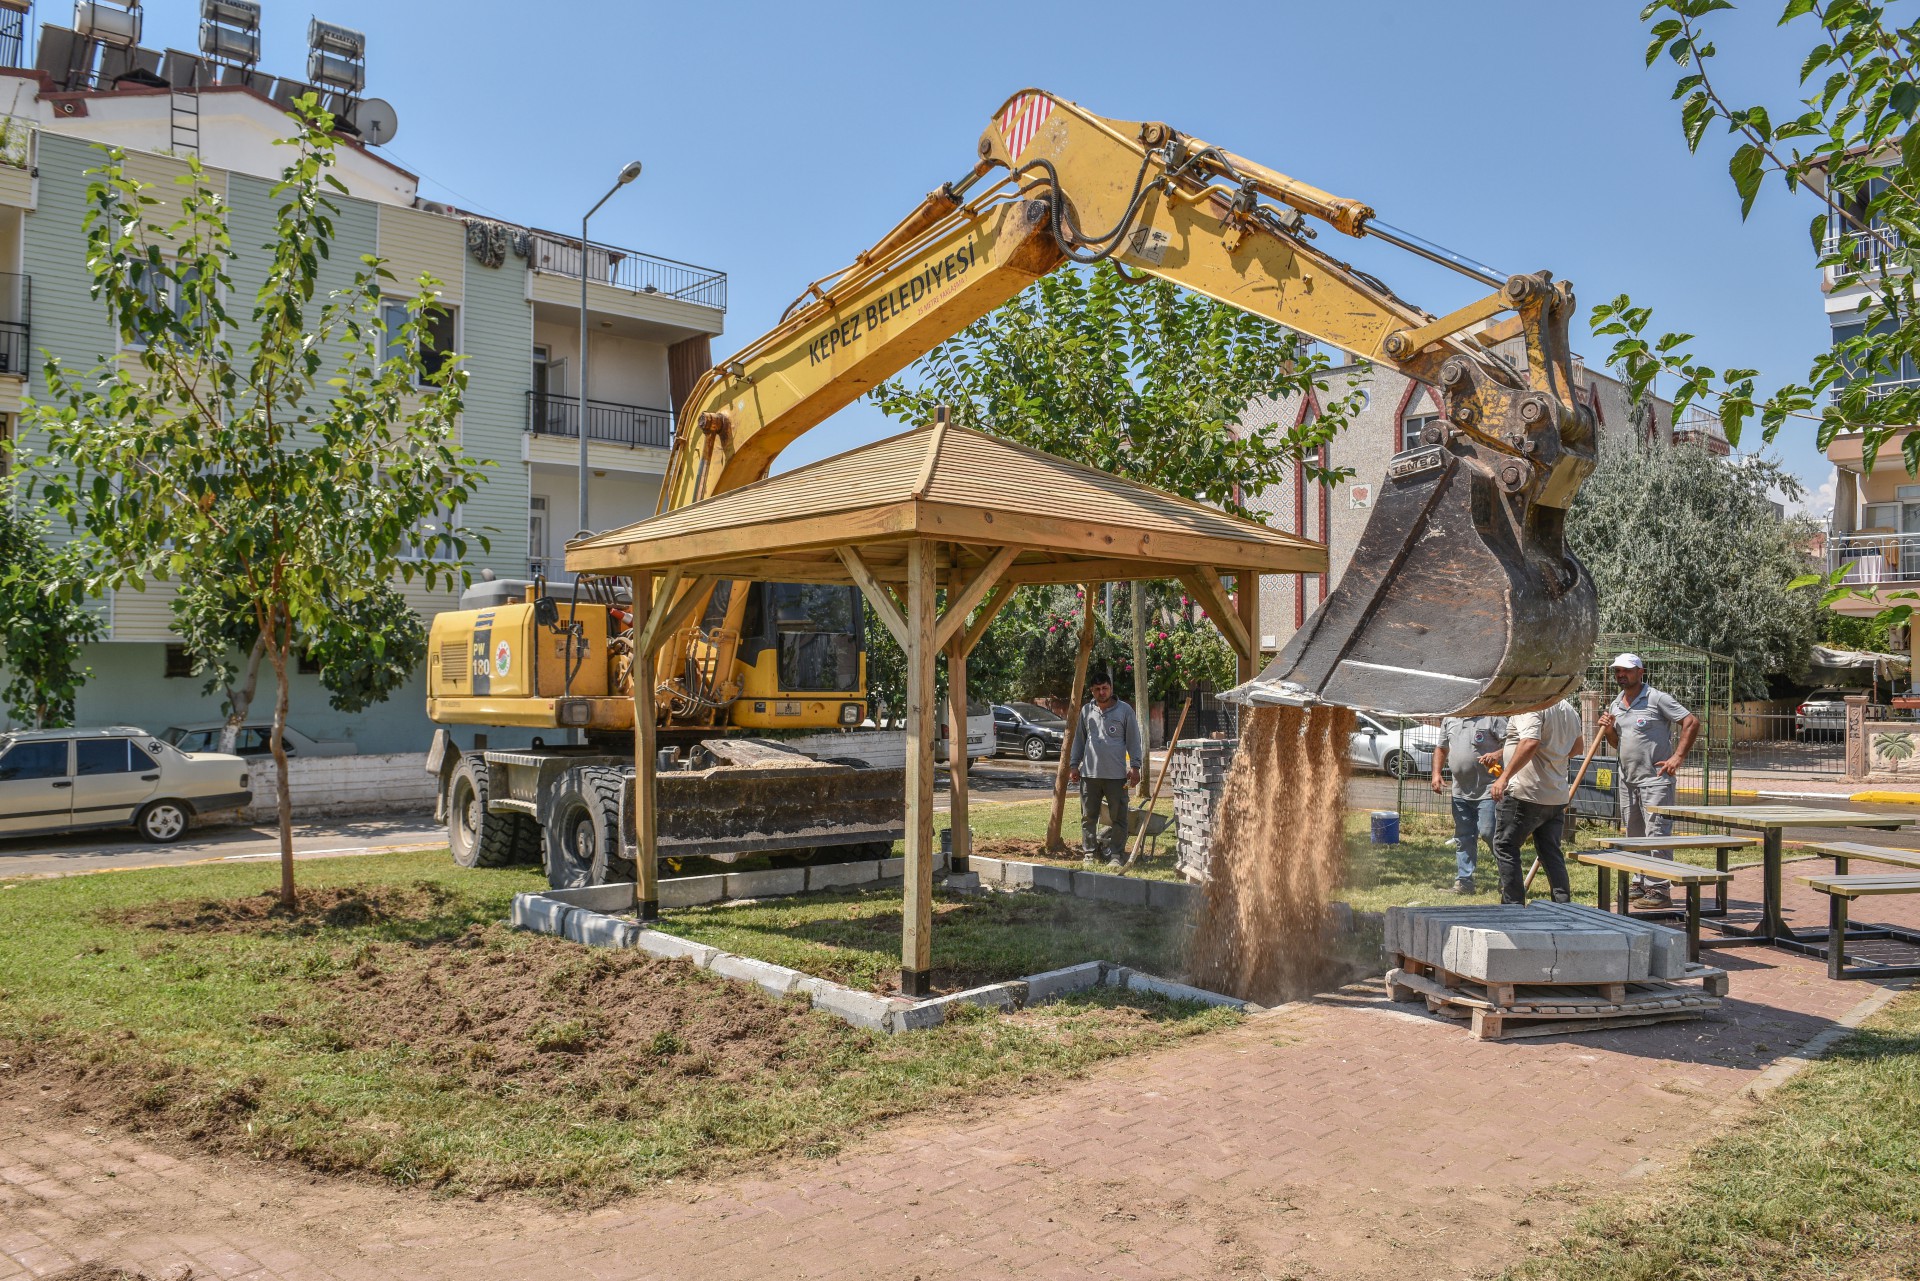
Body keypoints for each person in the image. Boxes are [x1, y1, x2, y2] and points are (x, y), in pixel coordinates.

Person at [1598, 652, 1700, 910]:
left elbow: (1691, 722)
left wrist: (1677, 757)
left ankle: (1659, 887)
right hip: (1627, 780)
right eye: (1618, 671)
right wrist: (1609, 729)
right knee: (1634, 833)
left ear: (1641, 672)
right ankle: (1639, 880)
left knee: (1657, 833)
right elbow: (1616, 744)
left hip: (1655, 780)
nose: (1621, 675)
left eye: (1627, 670)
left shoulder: (1657, 698)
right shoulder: (1615, 705)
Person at [1485, 698, 1583, 905]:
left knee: (1506, 845)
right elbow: (1578, 747)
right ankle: (1563, 904)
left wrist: (1503, 777)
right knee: (1550, 852)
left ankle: (1513, 906)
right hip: (1555, 794)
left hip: (1525, 792)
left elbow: (1530, 742)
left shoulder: (1530, 704)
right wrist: (1551, 759)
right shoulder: (1566, 708)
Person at [1067, 671, 1142, 864]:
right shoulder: (1086, 711)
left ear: (1111, 688)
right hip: (1089, 775)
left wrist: (1135, 766)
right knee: (1088, 817)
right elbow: (1079, 740)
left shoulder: (1124, 711)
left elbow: (1134, 740)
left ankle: (1116, 855)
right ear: (1092, 691)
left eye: (1105, 688)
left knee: (1119, 817)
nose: (1102, 692)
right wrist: (1074, 765)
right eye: (1097, 689)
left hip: (1116, 776)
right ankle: (1089, 854)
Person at [1431, 712, 1508, 895]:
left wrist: (1497, 754)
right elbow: (1441, 748)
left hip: (1489, 789)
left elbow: (1513, 744)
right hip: (1460, 791)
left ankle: (1507, 878)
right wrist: (1436, 774)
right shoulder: (1451, 718)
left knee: (1490, 833)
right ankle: (1464, 882)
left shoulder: (1493, 716)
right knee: (1463, 836)